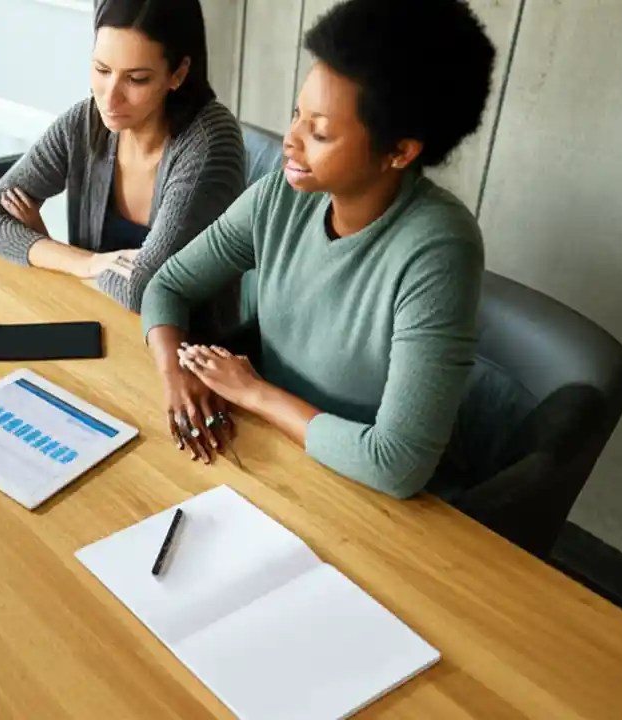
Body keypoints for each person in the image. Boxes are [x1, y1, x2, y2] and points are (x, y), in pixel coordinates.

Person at [141, 0, 496, 498]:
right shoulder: (280, 196)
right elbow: (168, 284)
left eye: (321, 131)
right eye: (296, 115)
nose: (290, 141)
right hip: (280, 460)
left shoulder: (439, 251)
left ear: (400, 151)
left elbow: (397, 465)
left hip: (370, 499)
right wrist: (174, 371)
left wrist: (255, 392)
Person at [0, 0, 246, 317]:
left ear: (178, 73)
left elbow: (142, 290)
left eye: (137, 79)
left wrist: (45, 248)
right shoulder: (86, 122)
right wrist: (85, 262)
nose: (109, 96)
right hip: (93, 321)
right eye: (102, 69)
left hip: (186, 350)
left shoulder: (210, 143)